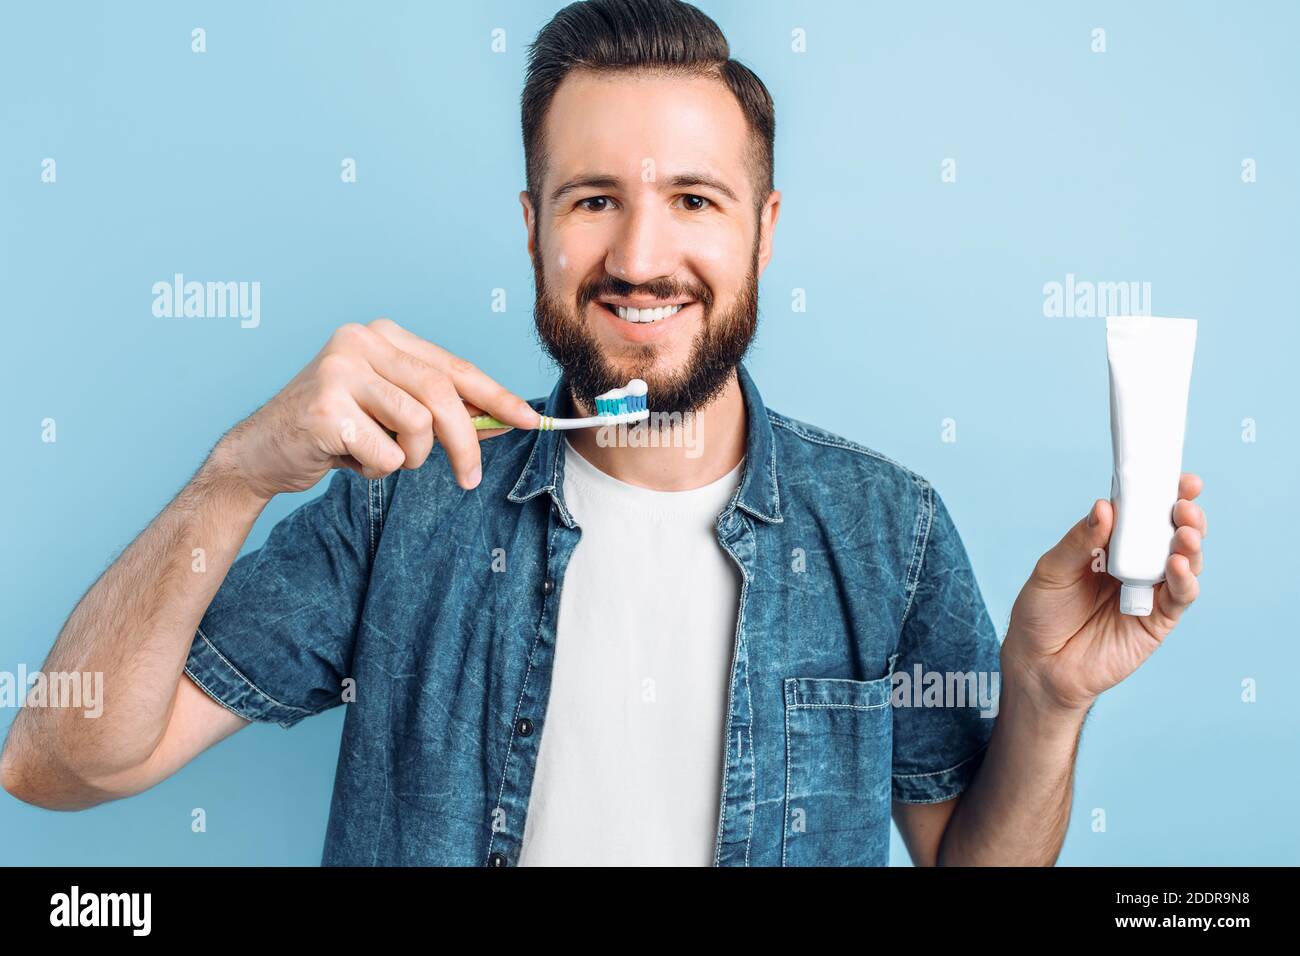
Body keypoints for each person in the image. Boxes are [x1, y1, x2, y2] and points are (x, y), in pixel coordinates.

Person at [0, 0, 1207, 866]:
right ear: (534, 227)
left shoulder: (886, 530)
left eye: (692, 199)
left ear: (763, 229)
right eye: (593, 201)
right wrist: (235, 474)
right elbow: (56, 765)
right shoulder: (403, 502)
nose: (638, 259)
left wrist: (1047, 704)